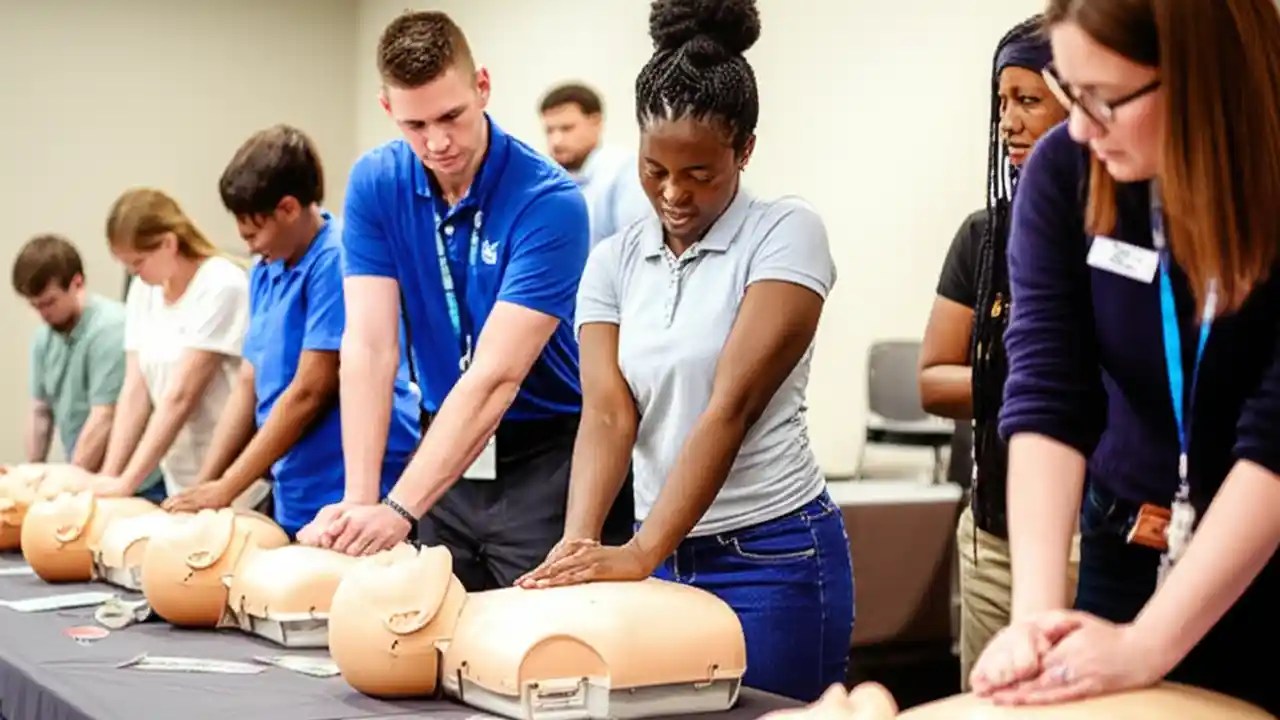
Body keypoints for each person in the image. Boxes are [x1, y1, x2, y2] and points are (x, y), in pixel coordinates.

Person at [515, 0, 854, 703]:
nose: (673, 193)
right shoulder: (613, 260)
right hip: (657, 555)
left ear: (745, 150)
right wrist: (581, 544)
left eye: (699, 172)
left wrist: (640, 553)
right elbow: (609, 415)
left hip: (771, 555)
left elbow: (729, 406)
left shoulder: (787, 235)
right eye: (654, 169)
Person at [969, 0, 1280, 714]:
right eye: (1071, 92)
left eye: (1105, 100)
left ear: (1202, 80)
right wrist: (1034, 623)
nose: (1079, 125)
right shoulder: (1064, 171)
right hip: (1127, 535)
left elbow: (1275, 439)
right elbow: (1048, 391)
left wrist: (1149, 646)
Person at [298, 9, 634, 589]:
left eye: (451, 115)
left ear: (482, 86)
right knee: (432, 640)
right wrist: (360, 498)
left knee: (528, 653)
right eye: (415, 124)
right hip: (444, 456)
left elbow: (496, 377)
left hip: (545, 458)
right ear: (388, 110)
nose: (438, 141)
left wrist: (399, 507)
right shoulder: (376, 183)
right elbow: (370, 347)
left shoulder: (548, 200)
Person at [161, 125, 421, 538]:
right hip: (297, 477)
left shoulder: (337, 259)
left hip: (351, 479)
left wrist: (228, 487)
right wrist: (205, 487)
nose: (251, 247)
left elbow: (309, 390)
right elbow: (249, 383)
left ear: (288, 208)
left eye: (253, 233)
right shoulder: (267, 268)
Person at [916, 17, 1073, 687]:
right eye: (1000, 103)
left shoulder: (1122, 239)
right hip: (992, 537)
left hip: (1091, 538)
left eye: (1028, 100)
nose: (1007, 121)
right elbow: (932, 381)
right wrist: (1032, 385)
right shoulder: (982, 238)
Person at [92, 188, 255, 507]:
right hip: (179, 478)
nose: (134, 273)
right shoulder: (143, 290)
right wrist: (110, 477)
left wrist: (128, 482)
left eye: (138, 262)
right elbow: (134, 390)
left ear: (168, 243)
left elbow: (181, 397)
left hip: (230, 483)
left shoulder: (221, 284)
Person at [13, 234, 134, 477]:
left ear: (77, 283)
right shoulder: (44, 338)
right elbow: (40, 413)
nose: (43, 314)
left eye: (49, 302)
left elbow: (104, 417)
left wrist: (69, 482)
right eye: (35, 305)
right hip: (85, 474)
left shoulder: (111, 328)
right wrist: (31, 476)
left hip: (134, 481)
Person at [539, 82, 650, 246]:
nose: (556, 141)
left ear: (596, 122)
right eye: (550, 131)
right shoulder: (549, 181)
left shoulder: (625, 172)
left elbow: (635, 250)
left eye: (566, 128)